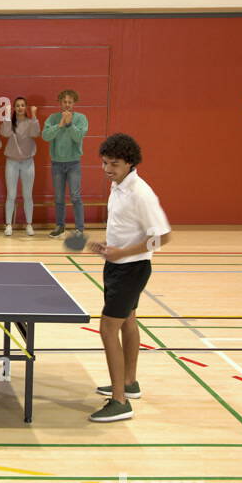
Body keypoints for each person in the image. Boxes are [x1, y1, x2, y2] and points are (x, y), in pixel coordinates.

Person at [86, 133, 171, 423]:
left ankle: (119, 401)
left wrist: (123, 253)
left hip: (132, 269)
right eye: (105, 163)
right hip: (118, 264)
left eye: (115, 164)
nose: (108, 169)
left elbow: (162, 237)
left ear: (130, 163)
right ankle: (129, 383)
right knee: (129, 320)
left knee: (108, 328)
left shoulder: (141, 193)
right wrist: (109, 248)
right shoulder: (118, 185)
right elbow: (125, 226)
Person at [41, 89, 88, 240]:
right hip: (57, 164)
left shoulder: (81, 118)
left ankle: (79, 229)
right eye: (64, 102)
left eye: (70, 102)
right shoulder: (53, 118)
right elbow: (45, 136)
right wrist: (60, 125)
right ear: (60, 103)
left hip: (73, 163)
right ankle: (59, 226)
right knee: (59, 197)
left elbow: (79, 136)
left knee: (75, 196)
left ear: (74, 103)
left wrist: (69, 125)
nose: (67, 105)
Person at [0, 97, 39, 236]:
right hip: (12, 162)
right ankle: (9, 225)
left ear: (26, 107)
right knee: (11, 195)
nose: (20, 107)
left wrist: (34, 116)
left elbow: (36, 133)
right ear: (14, 108)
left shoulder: (30, 122)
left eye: (22, 105)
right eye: (17, 105)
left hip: (28, 162)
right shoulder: (10, 123)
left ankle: (29, 224)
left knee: (27, 195)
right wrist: (7, 115)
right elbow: (4, 133)